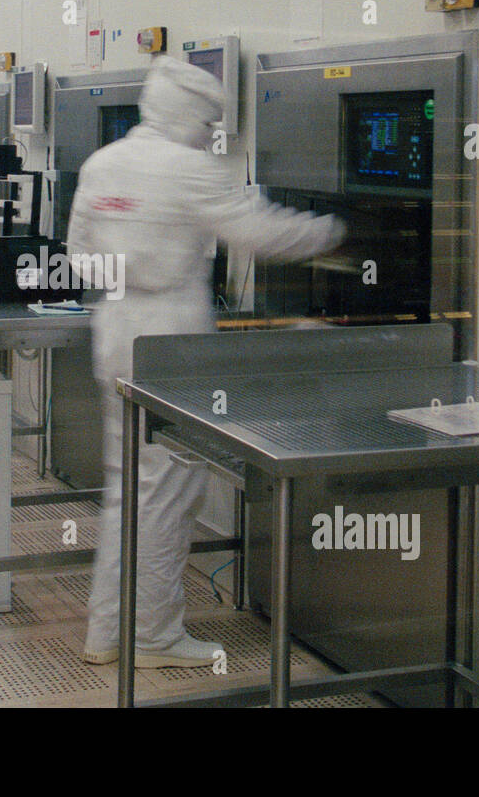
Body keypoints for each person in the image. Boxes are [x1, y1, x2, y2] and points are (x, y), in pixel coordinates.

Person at [66, 56, 346, 668]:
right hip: (171, 341)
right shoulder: (191, 169)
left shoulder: (102, 164)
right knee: (166, 492)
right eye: (207, 120)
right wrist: (334, 231)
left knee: (127, 490)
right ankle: (156, 638)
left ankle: (108, 631)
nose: (209, 132)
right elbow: (259, 234)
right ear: (189, 114)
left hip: (112, 328)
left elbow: (79, 257)